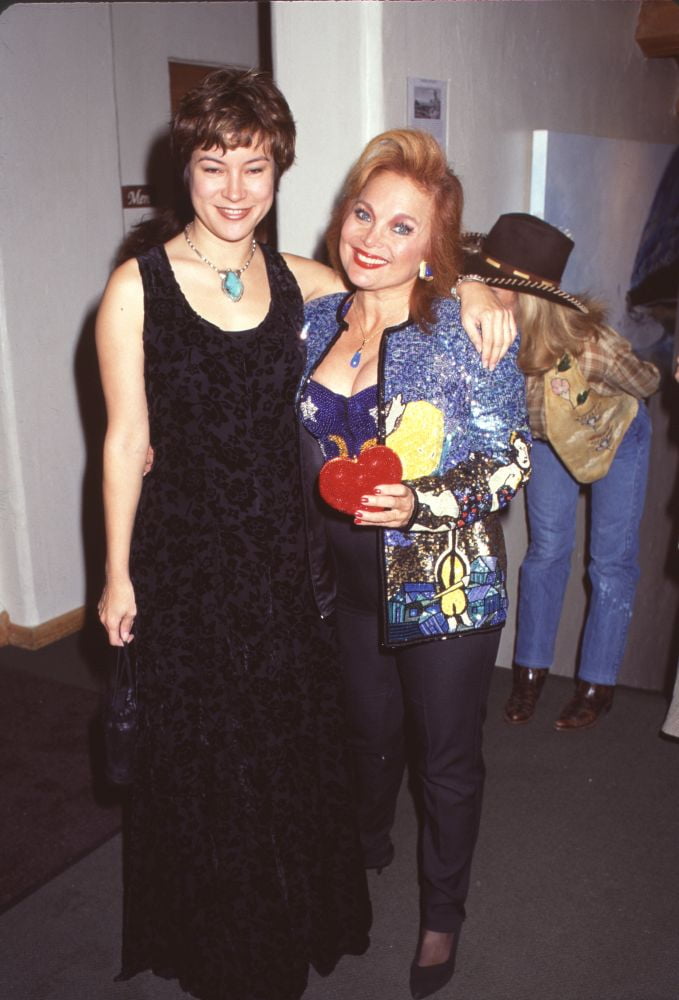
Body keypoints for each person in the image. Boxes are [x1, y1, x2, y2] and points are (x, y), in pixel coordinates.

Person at [95, 70, 515, 1000]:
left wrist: (482, 282)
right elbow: (129, 437)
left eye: (256, 167)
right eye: (215, 166)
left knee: (355, 753)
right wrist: (118, 573)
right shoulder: (182, 291)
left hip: (350, 572)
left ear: (280, 175)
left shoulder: (329, 293)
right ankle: (236, 919)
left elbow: (421, 283)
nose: (237, 189)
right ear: (186, 170)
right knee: (245, 750)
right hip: (228, 567)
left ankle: (388, 915)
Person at [296, 129, 531, 999]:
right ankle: (365, 844)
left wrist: (422, 502)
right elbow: (225, 252)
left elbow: (509, 457)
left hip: (443, 585)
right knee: (365, 732)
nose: (373, 237)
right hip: (344, 588)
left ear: (434, 247)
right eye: (364, 212)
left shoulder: (466, 331)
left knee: (444, 759)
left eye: (403, 227)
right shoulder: (316, 316)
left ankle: (442, 916)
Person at [464, 213, 661, 731]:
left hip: (613, 437)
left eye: (498, 287)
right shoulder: (482, 329)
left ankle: (598, 684)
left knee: (610, 562)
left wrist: (597, 392)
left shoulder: (589, 345)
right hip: (546, 441)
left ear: (530, 297)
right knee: (546, 552)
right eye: (482, 281)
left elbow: (647, 382)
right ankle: (529, 676)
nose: (487, 294)